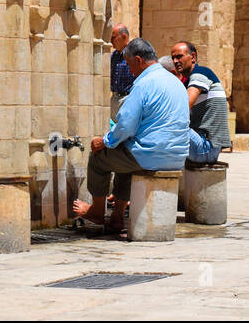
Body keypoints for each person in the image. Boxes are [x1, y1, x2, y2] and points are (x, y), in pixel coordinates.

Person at [73, 37, 189, 234]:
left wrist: (104, 141)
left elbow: (125, 125)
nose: (129, 70)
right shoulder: (175, 82)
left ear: (138, 60)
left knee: (98, 157)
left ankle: (97, 211)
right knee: (126, 156)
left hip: (152, 156)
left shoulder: (144, 83)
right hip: (177, 156)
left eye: (128, 64)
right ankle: (117, 217)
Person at [171, 41, 232, 165]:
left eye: (179, 56)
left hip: (206, 148)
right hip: (201, 146)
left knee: (162, 125)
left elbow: (183, 107)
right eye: (173, 58)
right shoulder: (187, 82)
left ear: (192, 57)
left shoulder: (201, 73)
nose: (175, 61)